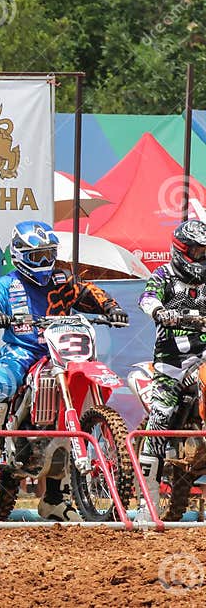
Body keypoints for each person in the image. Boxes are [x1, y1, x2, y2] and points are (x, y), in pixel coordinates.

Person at [0, 220, 127, 521]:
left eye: (49, 254)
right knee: (2, 383)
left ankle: (55, 499)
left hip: (61, 351)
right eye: (38, 256)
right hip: (22, 351)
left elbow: (88, 293)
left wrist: (111, 308)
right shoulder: (8, 284)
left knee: (76, 399)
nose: (45, 261)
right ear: (20, 256)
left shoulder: (61, 280)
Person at [136, 220, 206, 517]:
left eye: (205, 252)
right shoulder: (163, 275)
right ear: (182, 250)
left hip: (203, 357)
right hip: (171, 362)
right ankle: (146, 504)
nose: (201, 257)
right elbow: (147, 297)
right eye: (197, 251)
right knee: (161, 417)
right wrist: (159, 311)